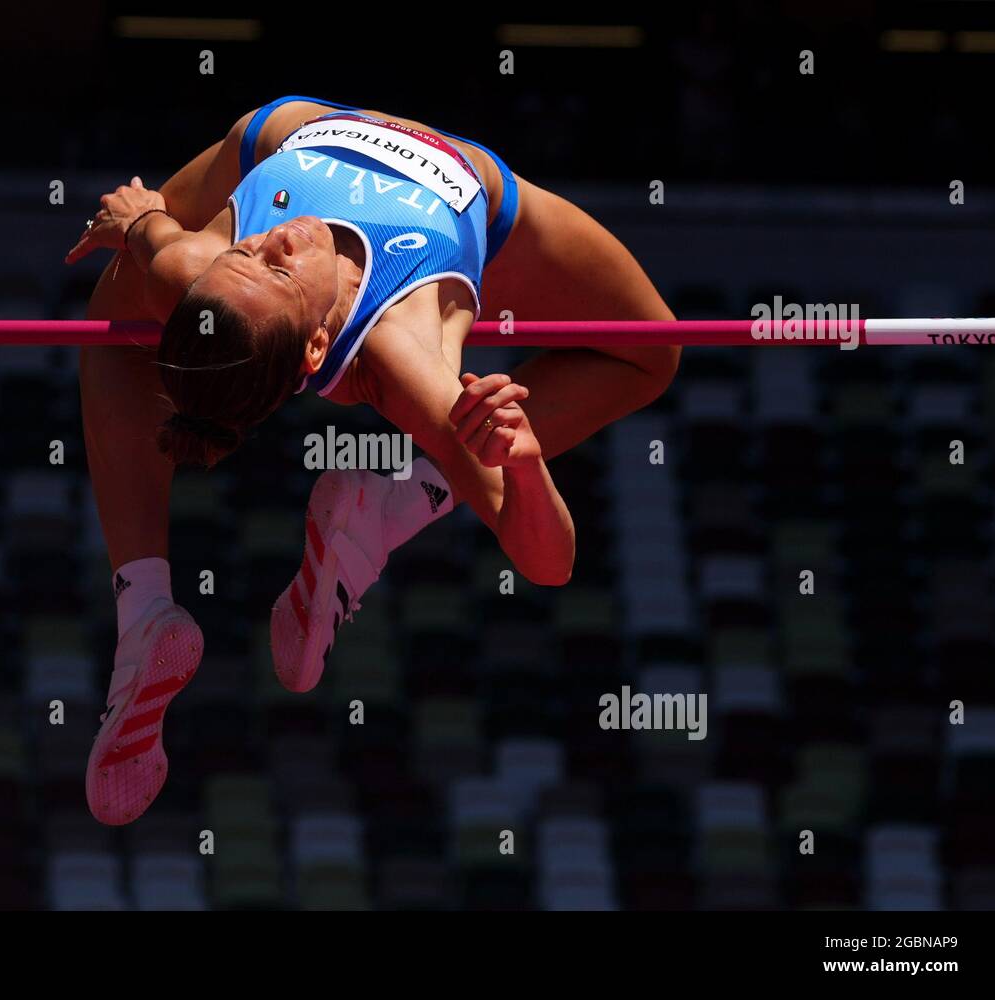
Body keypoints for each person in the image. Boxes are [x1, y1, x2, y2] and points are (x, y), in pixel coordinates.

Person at [66, 96, 680, 825]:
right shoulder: (407, 354)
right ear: (318, 349)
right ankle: (390, 504)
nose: (279, 242)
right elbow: (548, 560)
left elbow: (150, 231)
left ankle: (151, 607)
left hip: (286, 129)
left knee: (111, 330)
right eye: (280, 270)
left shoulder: (193, 269)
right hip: (466, 190)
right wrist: (521, 462)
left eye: (251, 249)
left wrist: (136, 220)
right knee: (654, 351)